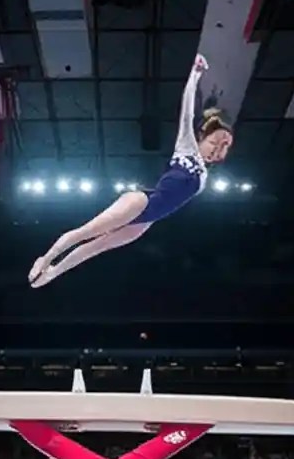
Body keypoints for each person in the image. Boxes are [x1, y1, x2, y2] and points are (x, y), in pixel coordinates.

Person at [27, 54, 232, 288]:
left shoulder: (204, 179)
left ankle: (54, 272)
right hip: (142, 202)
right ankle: (46, 258)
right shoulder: (186, 147)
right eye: (213, 143)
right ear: (201, 137)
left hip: (147, 221)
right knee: (88, 232)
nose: (216, 150)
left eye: (221, 149)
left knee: (97, 247)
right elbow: (187, 111)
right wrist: (195, 75)